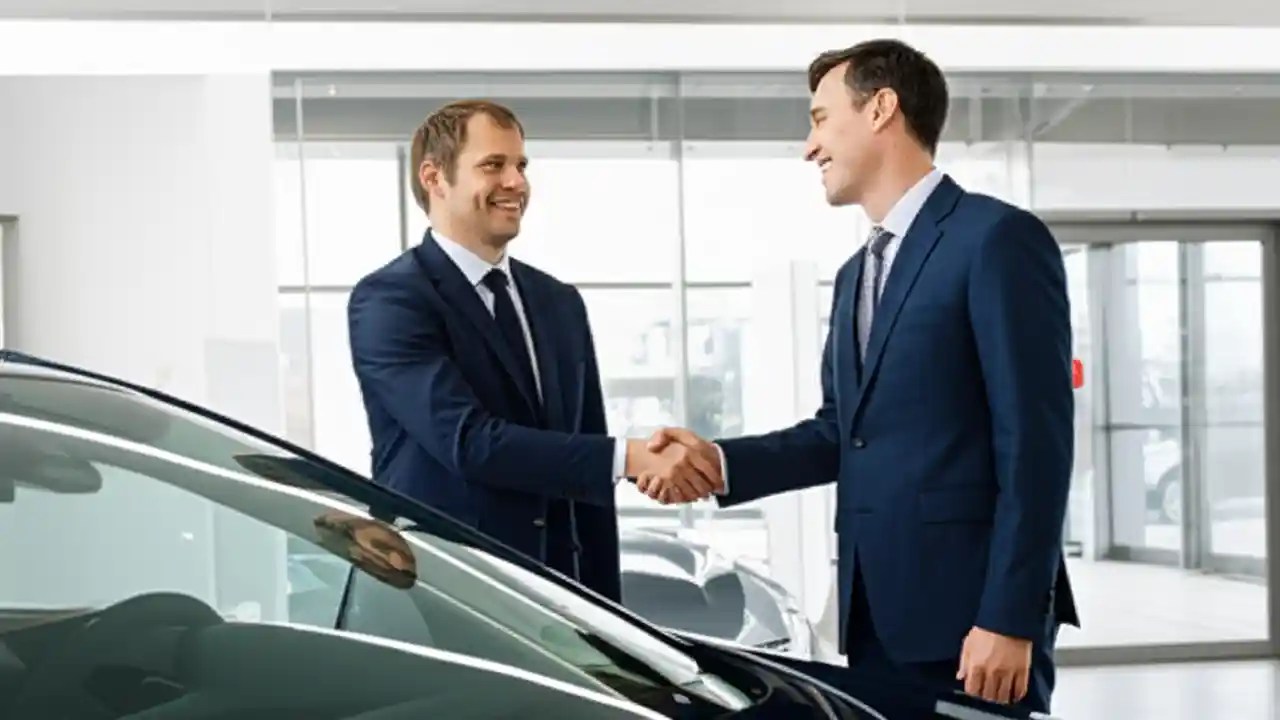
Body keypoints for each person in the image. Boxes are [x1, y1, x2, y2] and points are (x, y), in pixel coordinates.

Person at [641, 39, 1079, 713]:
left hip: (976, 624)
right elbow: (841, 431)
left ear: (880, 109)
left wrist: (1011, 616)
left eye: (819, 118)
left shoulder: (996, 240)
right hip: (879, 617)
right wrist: (721, 462)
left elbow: (1037, 447)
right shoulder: (855, 275)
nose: (809, 146)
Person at [348, 100, 720, 603]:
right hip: (442, 596)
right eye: (493, 165)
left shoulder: (559, 302)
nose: (516, 183)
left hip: (560, 600)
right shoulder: (390, 300)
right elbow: (470, 443)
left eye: (521, 165)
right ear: (435, 178)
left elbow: (587, 482)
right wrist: (634, 458)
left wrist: (608, 616)